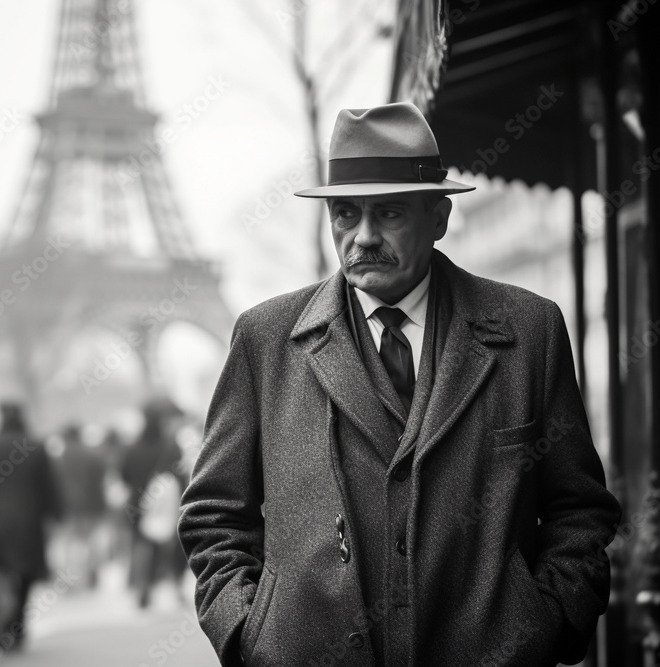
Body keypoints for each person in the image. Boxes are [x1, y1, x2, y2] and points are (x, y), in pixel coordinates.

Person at [178, 102, 622, 666]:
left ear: (438, 217)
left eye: (388, 214)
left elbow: (580, 510)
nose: (362, 237)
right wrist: (251, 636)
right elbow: (214, 514)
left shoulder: (530, 332)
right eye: (344, 214)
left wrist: (543, 624)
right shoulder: (265, 340)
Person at [0, 402, 60, 653]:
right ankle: (17, 627)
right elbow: (49, 486)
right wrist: (55, 515)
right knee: (25, 574)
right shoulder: (37, 447)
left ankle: (2, 627)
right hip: (29, 521)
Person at [122, 397, 185, 609]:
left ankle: (143, 588)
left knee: (141, 545)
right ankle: (176, 587)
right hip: (167, 504)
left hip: (139, 503)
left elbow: (124, 475)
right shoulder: (170, 445)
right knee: (172, 545)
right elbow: (180, 474)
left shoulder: (132, 447)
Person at [51, 424, 106, 589]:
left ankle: (66, 579)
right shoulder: (92, 456)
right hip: (90, 505)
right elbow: (99, 483)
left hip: (65, 506)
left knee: (66, 542)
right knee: (87, 542)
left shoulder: (58, 459)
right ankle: (87, 577)